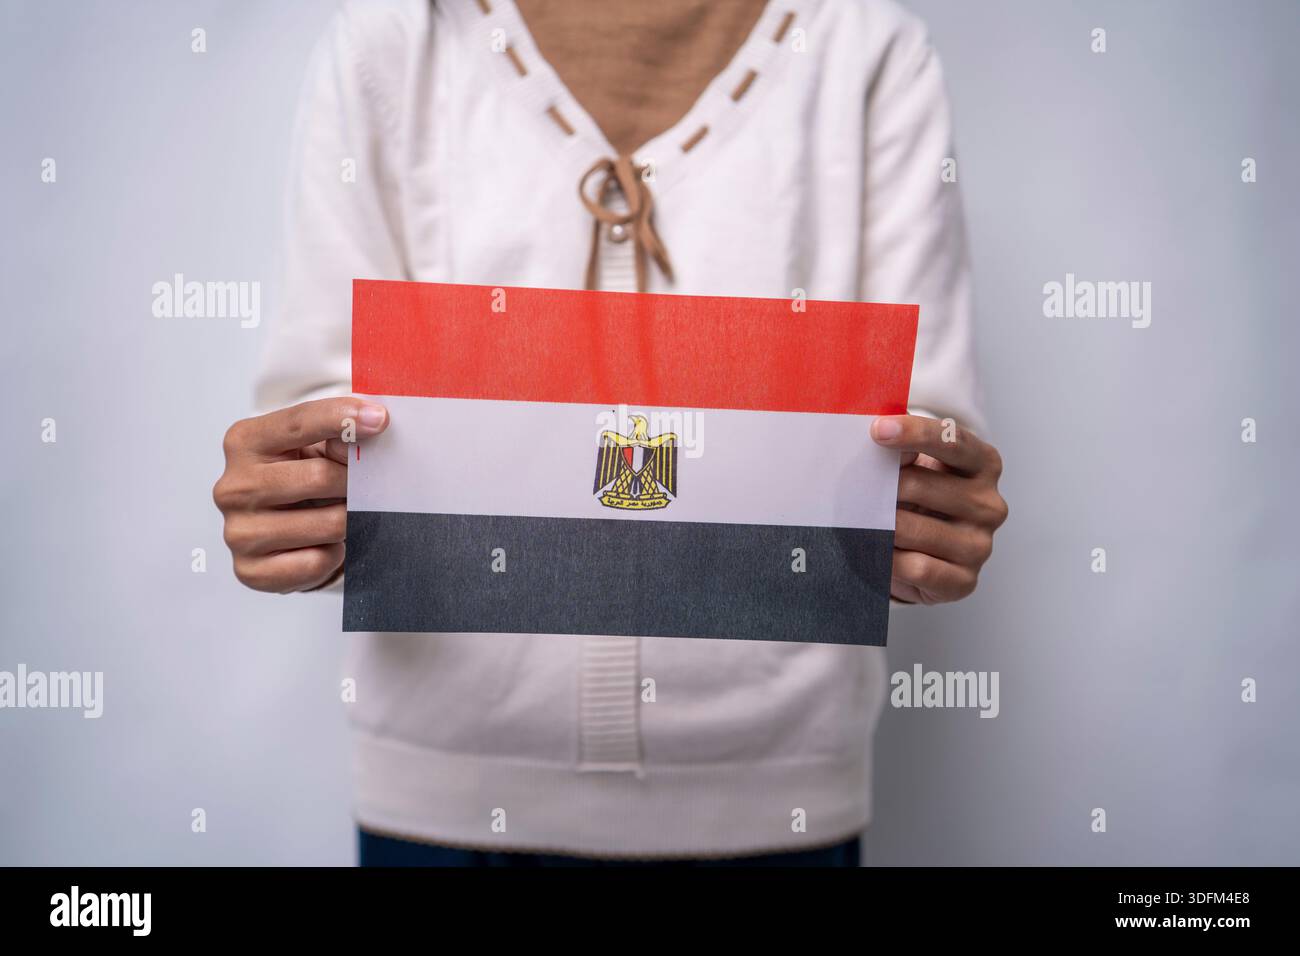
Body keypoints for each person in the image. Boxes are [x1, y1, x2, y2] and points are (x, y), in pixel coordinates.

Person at [212, 0, 1008, 867]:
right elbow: (323, 410)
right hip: (441, 806)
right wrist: (300, 505)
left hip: (779, 803)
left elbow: (924, 430)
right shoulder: (393, 39)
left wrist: (932, 511)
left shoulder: (867, 49)